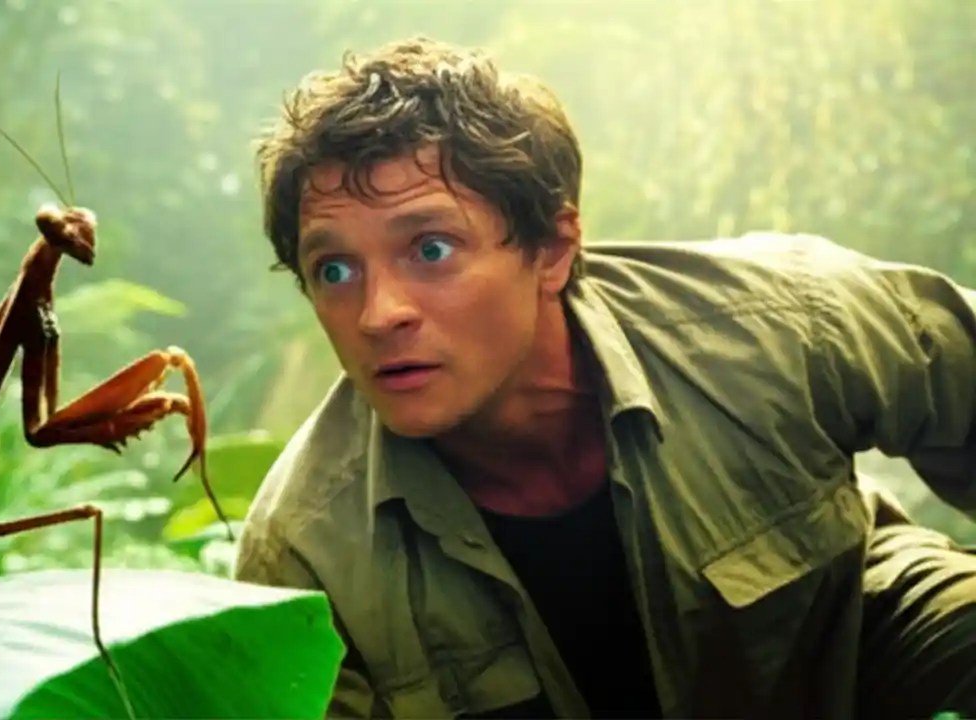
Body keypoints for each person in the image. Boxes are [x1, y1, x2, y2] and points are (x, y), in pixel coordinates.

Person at [231, 35, 976, 719]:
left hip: (857, 639)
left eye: (431, 249)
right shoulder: (304, 549)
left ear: (552, 250)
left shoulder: (773, 321)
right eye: (333, 269)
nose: (377, 314)